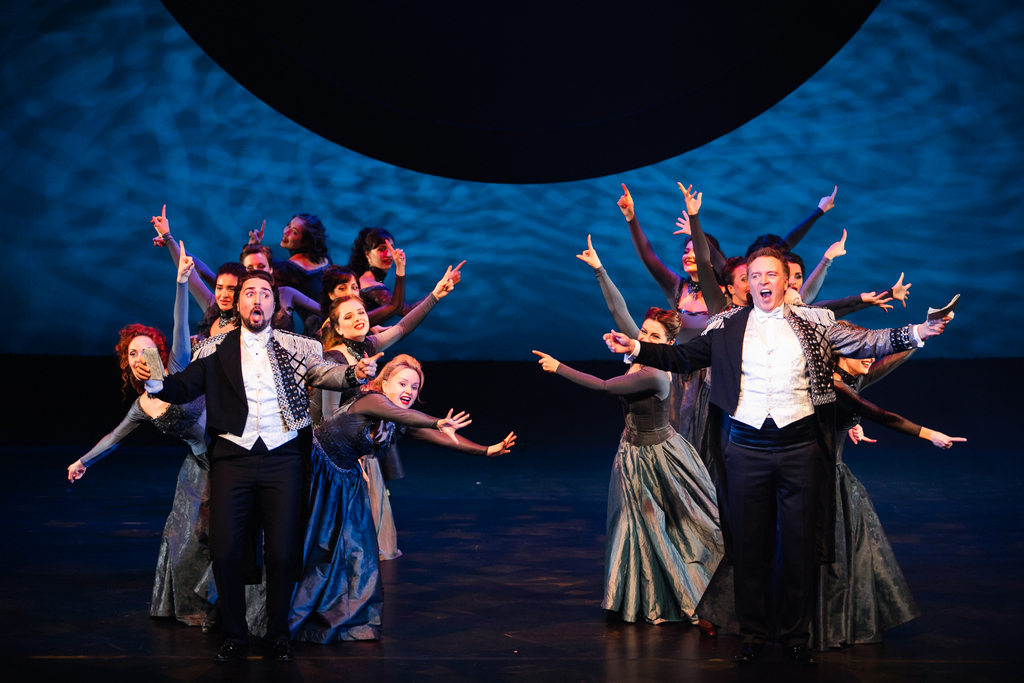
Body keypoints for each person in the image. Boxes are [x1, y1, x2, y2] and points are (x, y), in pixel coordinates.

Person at [603, 247, 950, 665]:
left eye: (772, 274)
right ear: (747, 284)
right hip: (746, 450)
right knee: (749, 547)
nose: (763, 281)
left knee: (800, 547)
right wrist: (637, 348)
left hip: (800, 448)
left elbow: (866, 341)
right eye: (755, 276)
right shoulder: (727, 325)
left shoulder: (815, 321)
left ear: (786, 281)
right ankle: (751, 634)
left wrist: (918, 332)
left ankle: (795, 636)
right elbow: (682, 356)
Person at [142, 269, 375, 663]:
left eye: (265, 293)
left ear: (274, 304)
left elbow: (326, 374)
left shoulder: (299, 345)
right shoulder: (213, 348)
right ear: (239, 302)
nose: (257, 299)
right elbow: (183, 386)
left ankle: (278, 633)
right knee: (226, 552)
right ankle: (234, 634)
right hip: (233, 458)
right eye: (249, 292)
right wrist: (155, 383)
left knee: (282, 555)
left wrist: (354, 372)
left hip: (283, 459)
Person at [532, 235, 722, 628]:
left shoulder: (655, 372)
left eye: (654, 337)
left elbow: (605, 387)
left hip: (657, 457)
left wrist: (559, 368)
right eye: (644, 334)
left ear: (670, 343)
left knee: (662, 526)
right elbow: (619, 313)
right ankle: (638, 594)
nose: (645, 339)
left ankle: (686, 593)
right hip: (632, 452)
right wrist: (600, 270)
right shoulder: (641, 354)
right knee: (634, 527)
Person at [289, 354, 515, 642]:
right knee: (313, 545)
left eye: (415, 387)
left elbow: (442, 438)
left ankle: (345, 616)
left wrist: (486, 450)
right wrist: (437, 421)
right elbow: (412, 419)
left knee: (359, 550)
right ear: (384, 383)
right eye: (402, 383)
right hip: (316, 472)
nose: (409, 391)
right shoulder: (372, 400)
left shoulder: (398, 420)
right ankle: (290, 614)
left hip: (345, 479)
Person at [67, 246, 218, 628]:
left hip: (230, 457)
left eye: (146, 351)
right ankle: (195, 606)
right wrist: (83, 461)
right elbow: (115, 436)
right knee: (182, 535)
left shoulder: (177, 370)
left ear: (160, 354)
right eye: (133, 353)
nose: (139, 358)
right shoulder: (143, 405)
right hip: (201, 465)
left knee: (227, 534)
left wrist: (181, 283)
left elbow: (180, 323)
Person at [313, 266, 460, 559]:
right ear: (337, 328)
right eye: (348, 316)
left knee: (369, 520)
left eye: (361, 312)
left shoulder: (367, 345)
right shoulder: (333, 358)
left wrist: (435, 295)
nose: (358, 318)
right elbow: (327, 417)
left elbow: (402, 328)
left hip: (361, 445)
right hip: (337, 454)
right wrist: (347, 459)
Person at [348, 226, 465, 323]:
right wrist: (438, 291)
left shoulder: (366, 280)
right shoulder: (370, 284)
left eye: (391, 248)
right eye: (381, 249)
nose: (389, 254)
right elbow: (408, 313)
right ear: (367, 254)